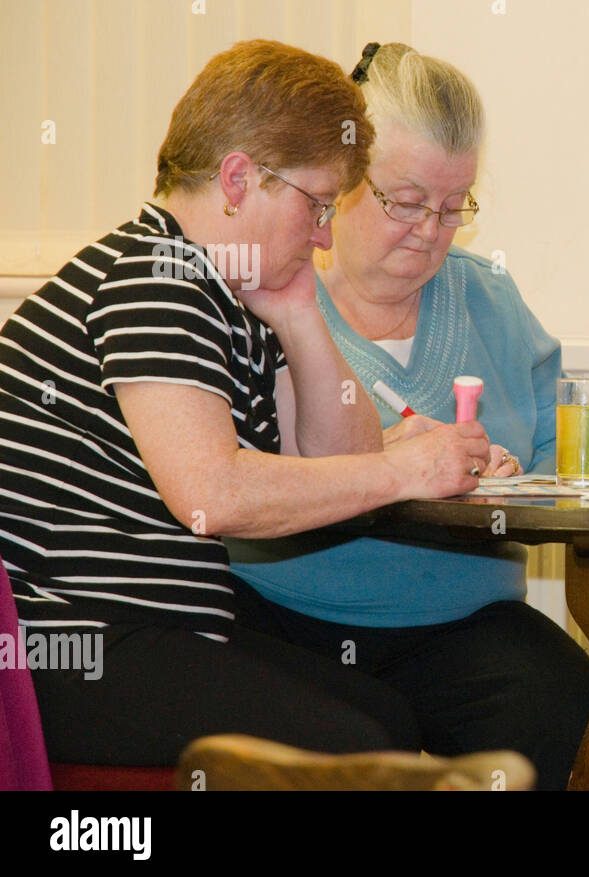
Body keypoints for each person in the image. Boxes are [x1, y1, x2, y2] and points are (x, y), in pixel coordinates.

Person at [0, 40, 496, 765]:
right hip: (62, 641)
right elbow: (215, 493)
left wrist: (300, 316)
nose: (325, 236)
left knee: (388, 716)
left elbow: (340, 463)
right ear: (239, 178)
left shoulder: (222, 290)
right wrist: (412, 470)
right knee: (354, 749)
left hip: (139, 631)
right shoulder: (154, 276)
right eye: (318, 205)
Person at [226, 43, 589, 792]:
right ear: (344, 183)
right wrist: (385, 463)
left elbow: (572, 454)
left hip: (463, 627)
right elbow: (225, 478)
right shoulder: (272, 294)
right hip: (287, 616)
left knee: (553, 681)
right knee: (359, 729)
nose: (431, 229)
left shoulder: (488, 298)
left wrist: (520, 476)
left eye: (454, 207)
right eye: (406, 200)